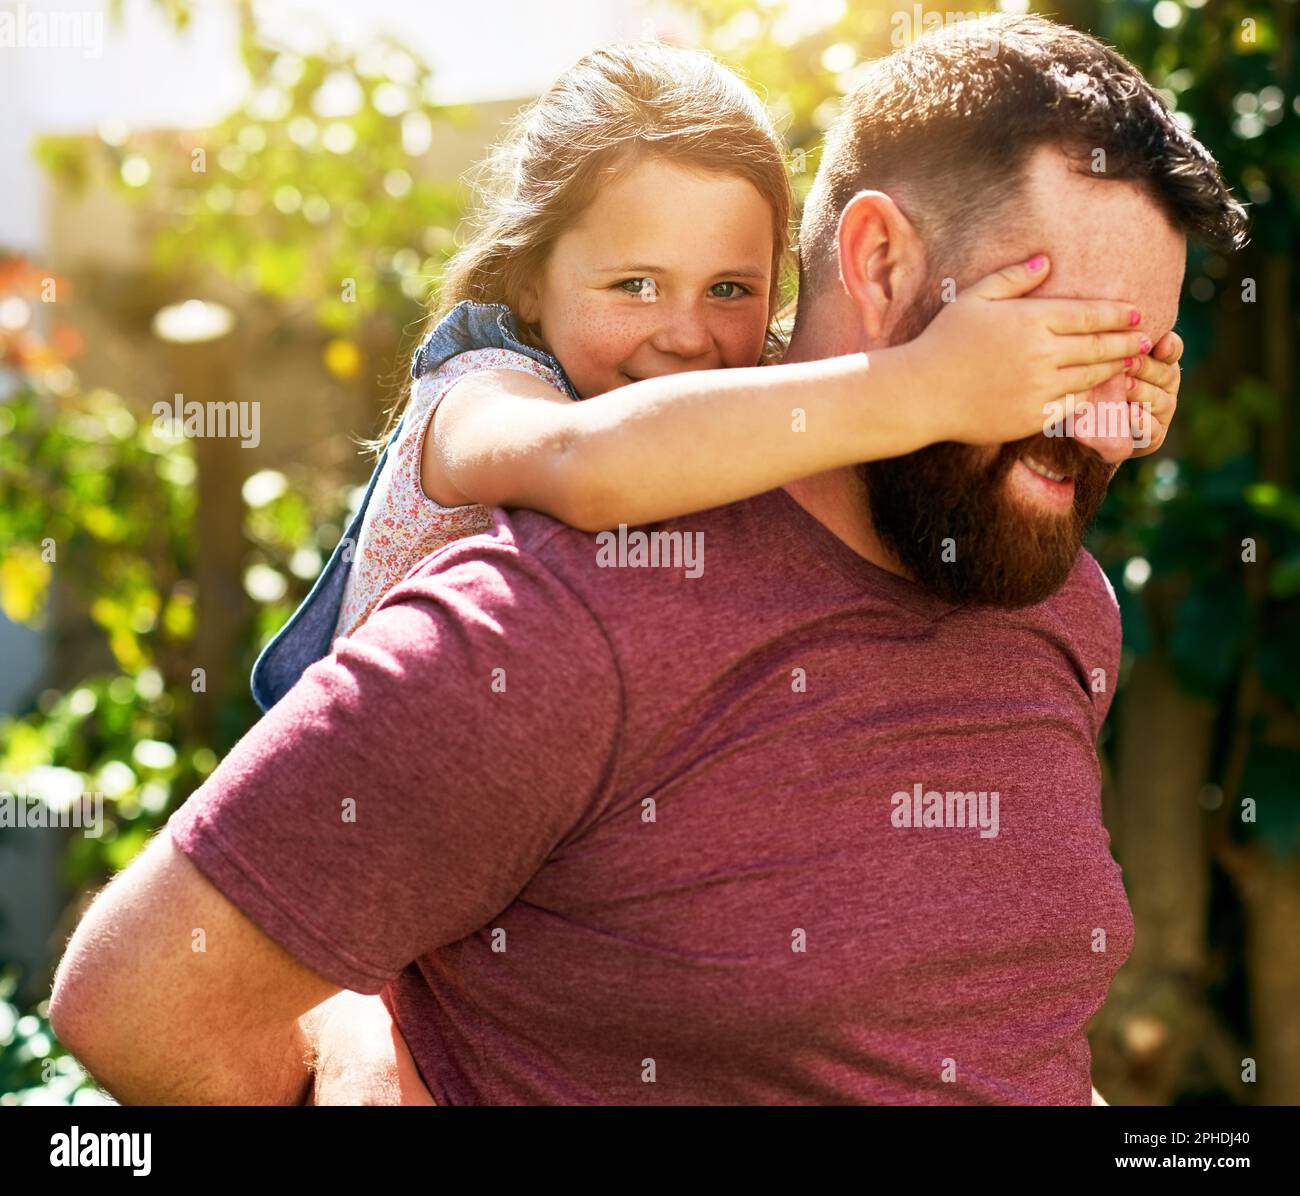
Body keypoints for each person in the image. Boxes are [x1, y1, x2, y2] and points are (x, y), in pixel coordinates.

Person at [49, 14, 1246, 1105]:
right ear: (878, 269)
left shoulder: (1053, 601)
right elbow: (136, 1000)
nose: (1103, 420)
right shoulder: (555, 605)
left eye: (1132, 363)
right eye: (1055, 344)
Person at [250, 40, 1169, 712]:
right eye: (634, 284)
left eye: (730, 288)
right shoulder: (480, 393)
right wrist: (932, 382)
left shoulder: (742, 394)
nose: (686, 336)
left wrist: (1091, 406)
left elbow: (896, 461)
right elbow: (588, 465)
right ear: (530, 278)